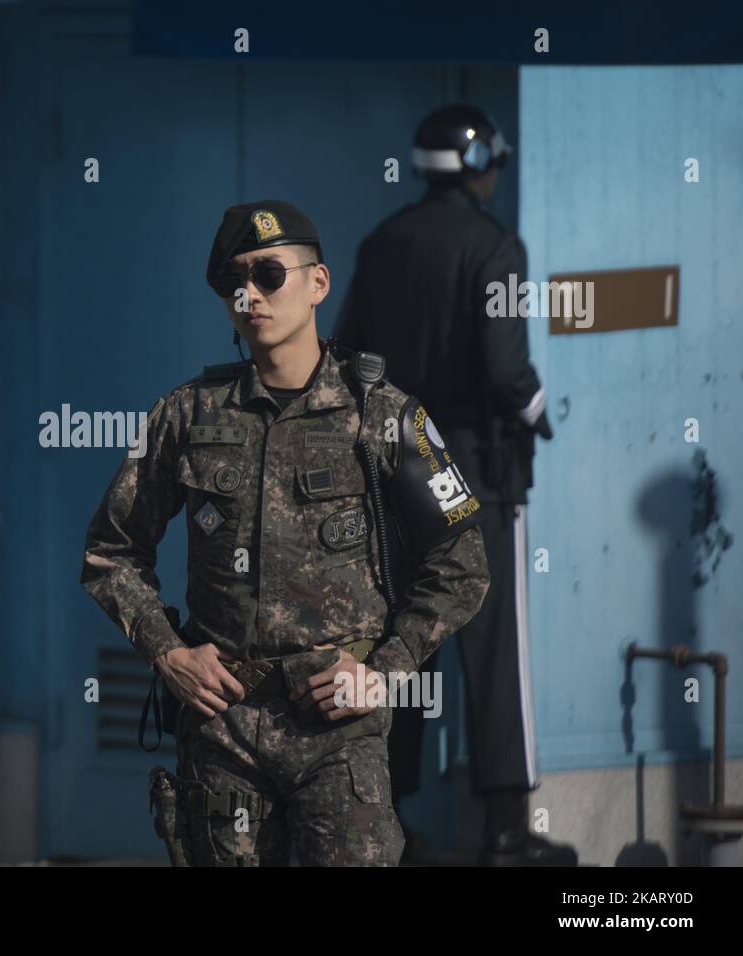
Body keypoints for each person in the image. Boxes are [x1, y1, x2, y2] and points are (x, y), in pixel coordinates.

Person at [81, 199, 489, 866]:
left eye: (269, 274)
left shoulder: (385, 418)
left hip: (339, 730)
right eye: (231, 282)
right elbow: (111, 554)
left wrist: (384, 671)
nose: (249, 295)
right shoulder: (185, 416)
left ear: (318, 283)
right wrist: (168, 654)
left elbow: (463, 565)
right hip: (221, 733)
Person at [335, 104, 575, 866]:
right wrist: (539, 411)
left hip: (396, 477)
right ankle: (507, 829)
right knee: (495, 651)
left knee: (403, 649)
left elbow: (348, 355)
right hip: (475, 476)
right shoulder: (496, 247)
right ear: (481, 166)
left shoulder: (381, 245)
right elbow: (508, 372)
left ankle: (393, 828)